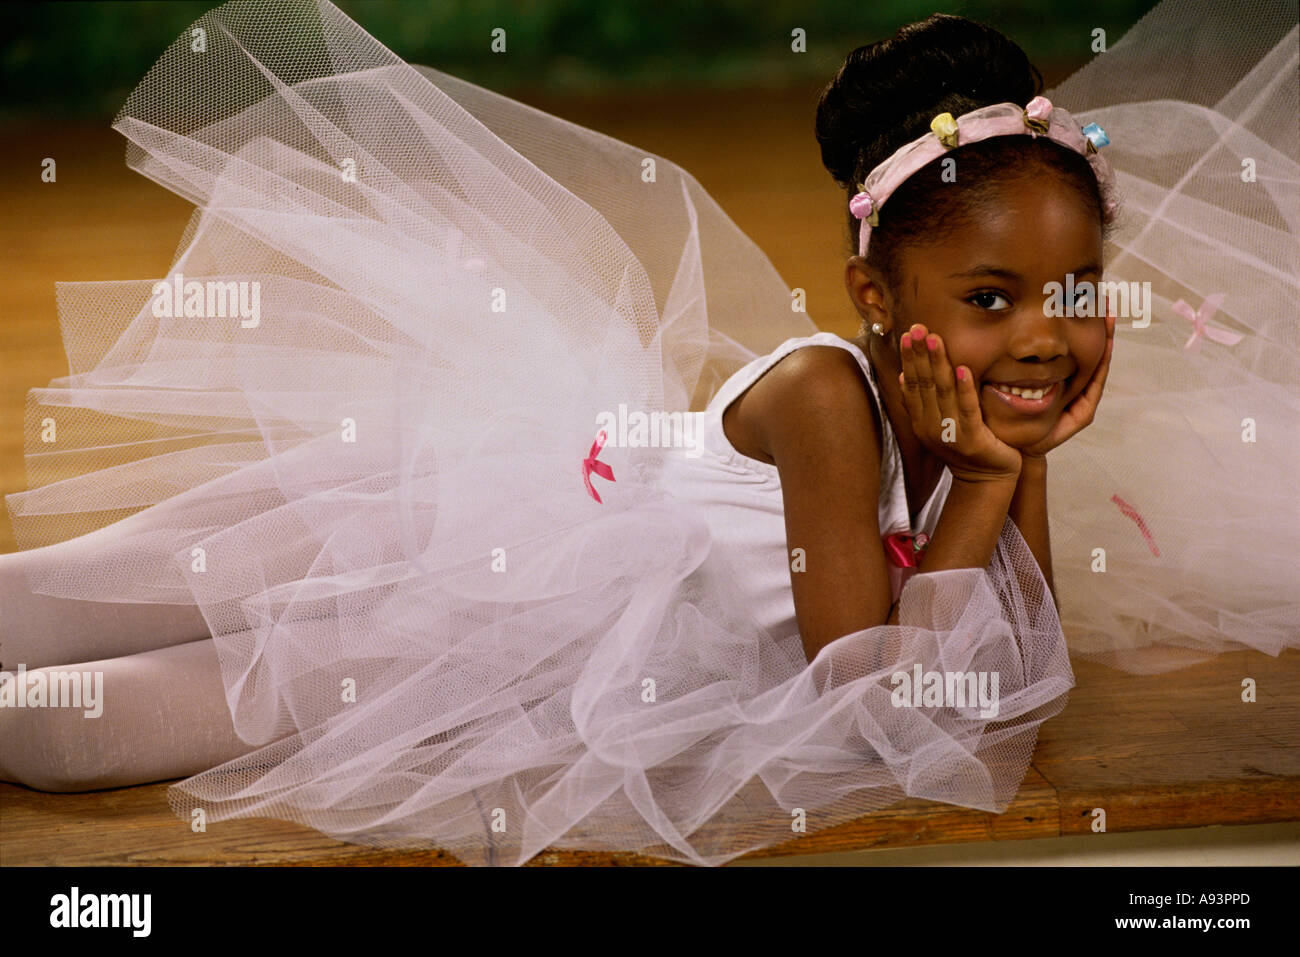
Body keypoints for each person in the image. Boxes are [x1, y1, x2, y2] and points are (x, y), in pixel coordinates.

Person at [1, 0, 1296, 866]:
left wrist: (1011, 475)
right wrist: (977, 489)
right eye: (991, 298)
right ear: (877, 296)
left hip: (530, 663)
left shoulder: (980, 433)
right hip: (479, 568)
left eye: (1073, 295)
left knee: (109, 724)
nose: (1042, 337)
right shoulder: (828, 400)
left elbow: (1005, 660)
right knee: (81, 625)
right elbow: (869, 701)